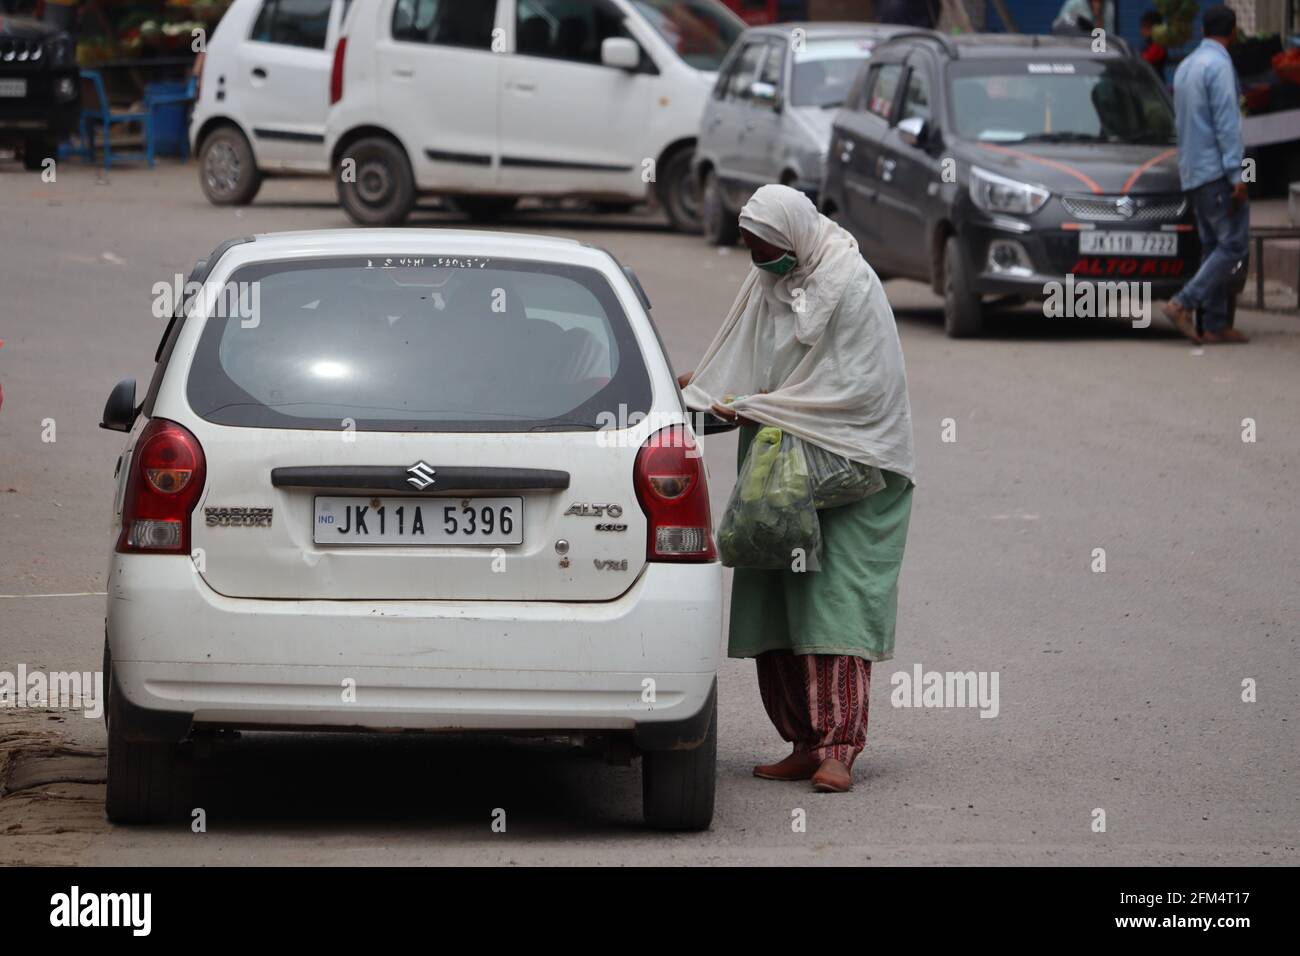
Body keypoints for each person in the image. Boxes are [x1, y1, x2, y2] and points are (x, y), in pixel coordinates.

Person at [679, 185, 915, 793]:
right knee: (777, 605)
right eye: (753, 250)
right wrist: (703, 395)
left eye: (768, 250)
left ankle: (840, 749)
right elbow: (738, 365)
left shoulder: (853, 284)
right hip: (776, 474)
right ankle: (804, 743)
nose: (761, 262)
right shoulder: (765, 286)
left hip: (851, 469)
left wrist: (769, 407)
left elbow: (863, 390)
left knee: (834, 607)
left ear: (796, 239)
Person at [1162, 5, 1250, 344]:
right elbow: (1227, 125)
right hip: (1217, 172)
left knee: (1213, 245)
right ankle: (1183, 303)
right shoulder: (1219, 66)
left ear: (1202, 30)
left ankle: (1213, 325)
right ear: (1233, 32)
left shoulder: (1185, 67)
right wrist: (1237, 175)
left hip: (1194, 171)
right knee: (1234, 245)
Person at [1139, 10, 1168, 77]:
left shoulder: (1158, 46)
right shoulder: (1148, 44)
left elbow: (1143, 61)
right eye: (1142, 27)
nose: (1142, 30)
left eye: (1146, 27)